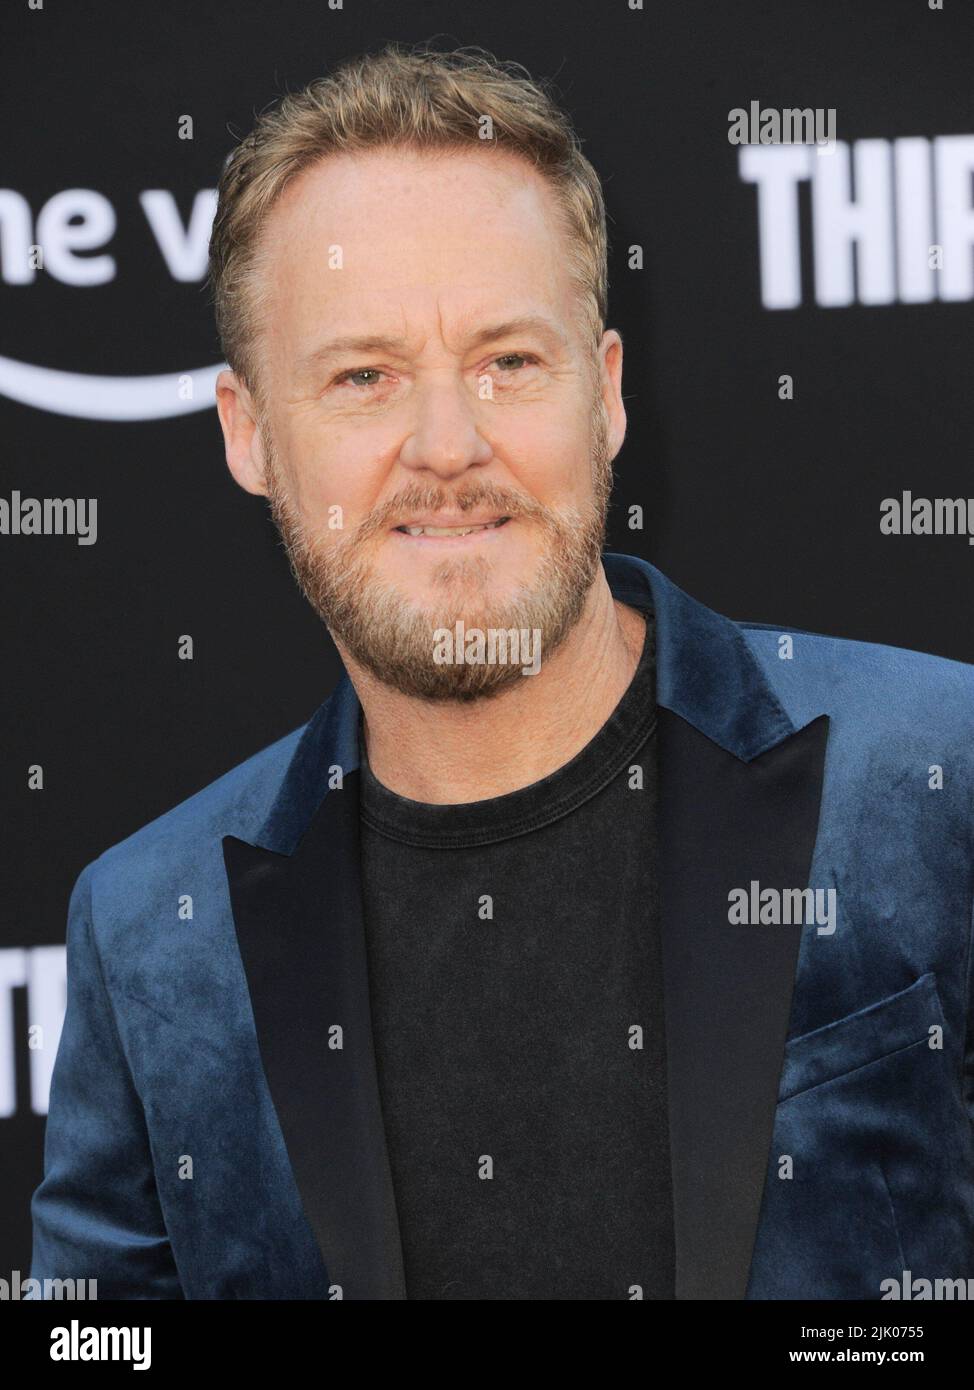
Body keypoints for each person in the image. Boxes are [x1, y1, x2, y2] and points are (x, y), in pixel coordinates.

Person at [29, 43, 974, 1301]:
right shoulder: (151, 929)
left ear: (607, 395)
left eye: (507, 363)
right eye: (363, 377)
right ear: (249, 434)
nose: (448, 446)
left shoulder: (933, 775)